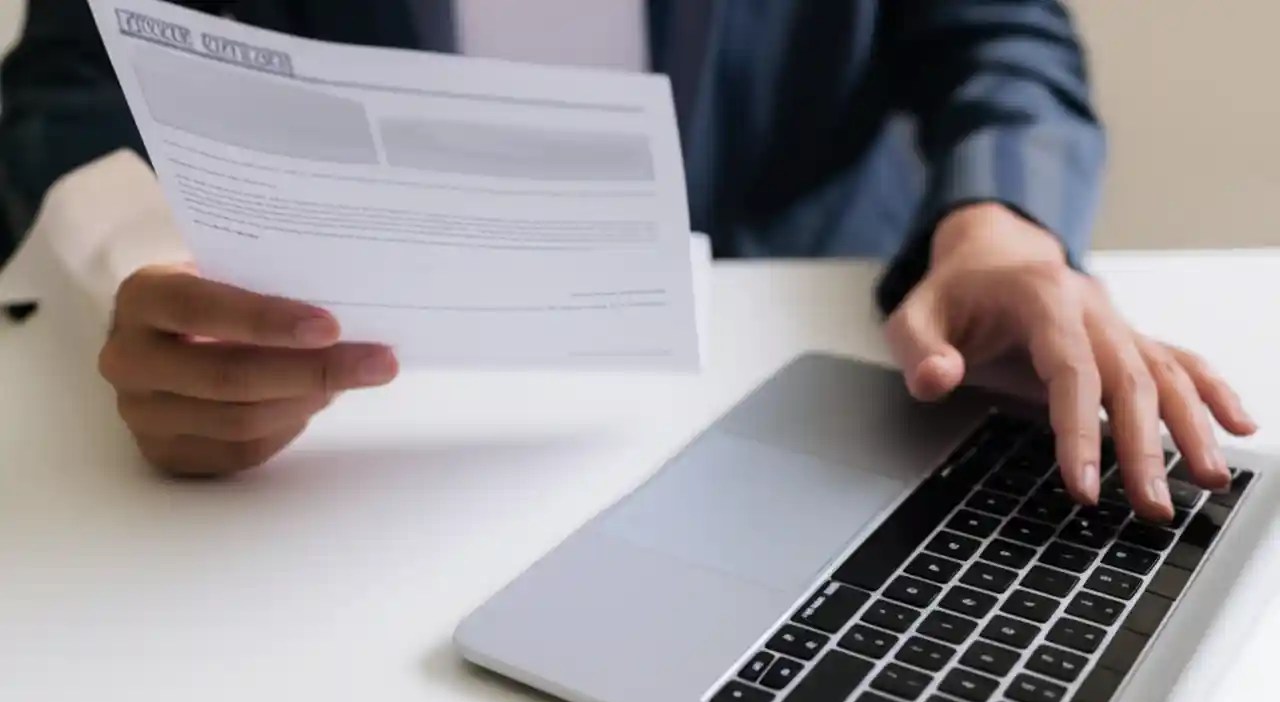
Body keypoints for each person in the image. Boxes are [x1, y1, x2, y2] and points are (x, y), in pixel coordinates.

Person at [0, 0, 1256, 521]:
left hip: (799, 356)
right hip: (358, 407)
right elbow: (70, 83)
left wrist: (1001, 221)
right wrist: (152, 276)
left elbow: (995, 30)